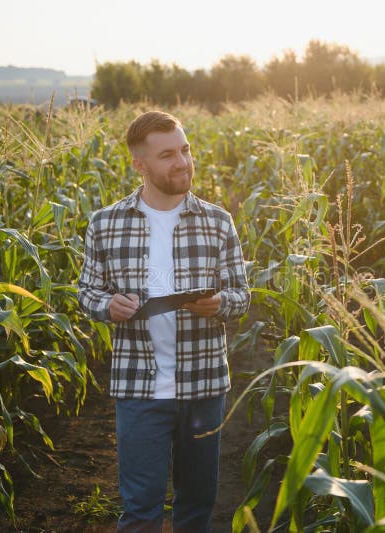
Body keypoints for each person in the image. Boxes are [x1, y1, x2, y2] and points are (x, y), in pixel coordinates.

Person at [77, 110, 250, 532]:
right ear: (140, 165)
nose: (183, 162)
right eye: (168, 155)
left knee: (196, 506)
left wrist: (218, 303)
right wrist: (108, 307)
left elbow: (242, 296)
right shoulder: (105, 224)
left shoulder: (217, 222)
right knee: (140, 509)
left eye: (186, 150)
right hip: (139, 386)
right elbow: (87, 293)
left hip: (203, 384)